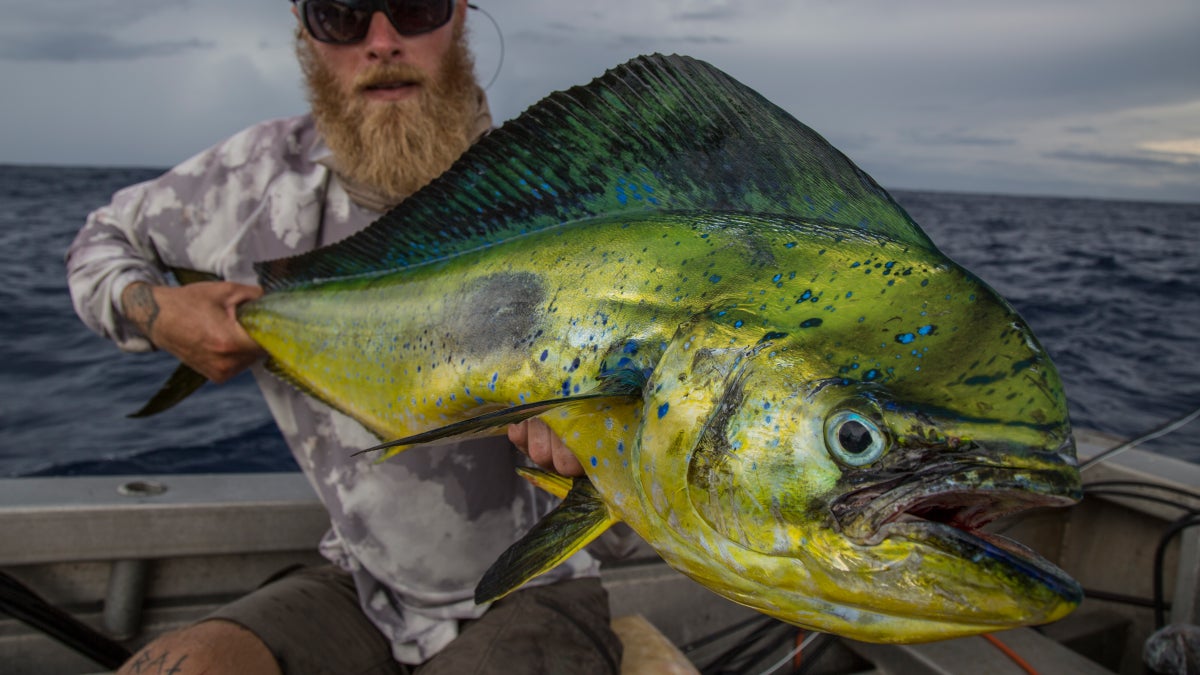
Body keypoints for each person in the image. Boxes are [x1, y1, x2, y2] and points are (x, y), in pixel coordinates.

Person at [66, 1, 625, 673]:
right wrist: (156, 310)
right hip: (359, 583)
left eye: (417, 7)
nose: (382, 42)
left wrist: (605, 447)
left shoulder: (558, 192)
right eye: (341, 14)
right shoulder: (254, 183)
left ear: (460, 20)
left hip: (538, 585)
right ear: (305, 33)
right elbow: (101, 238)